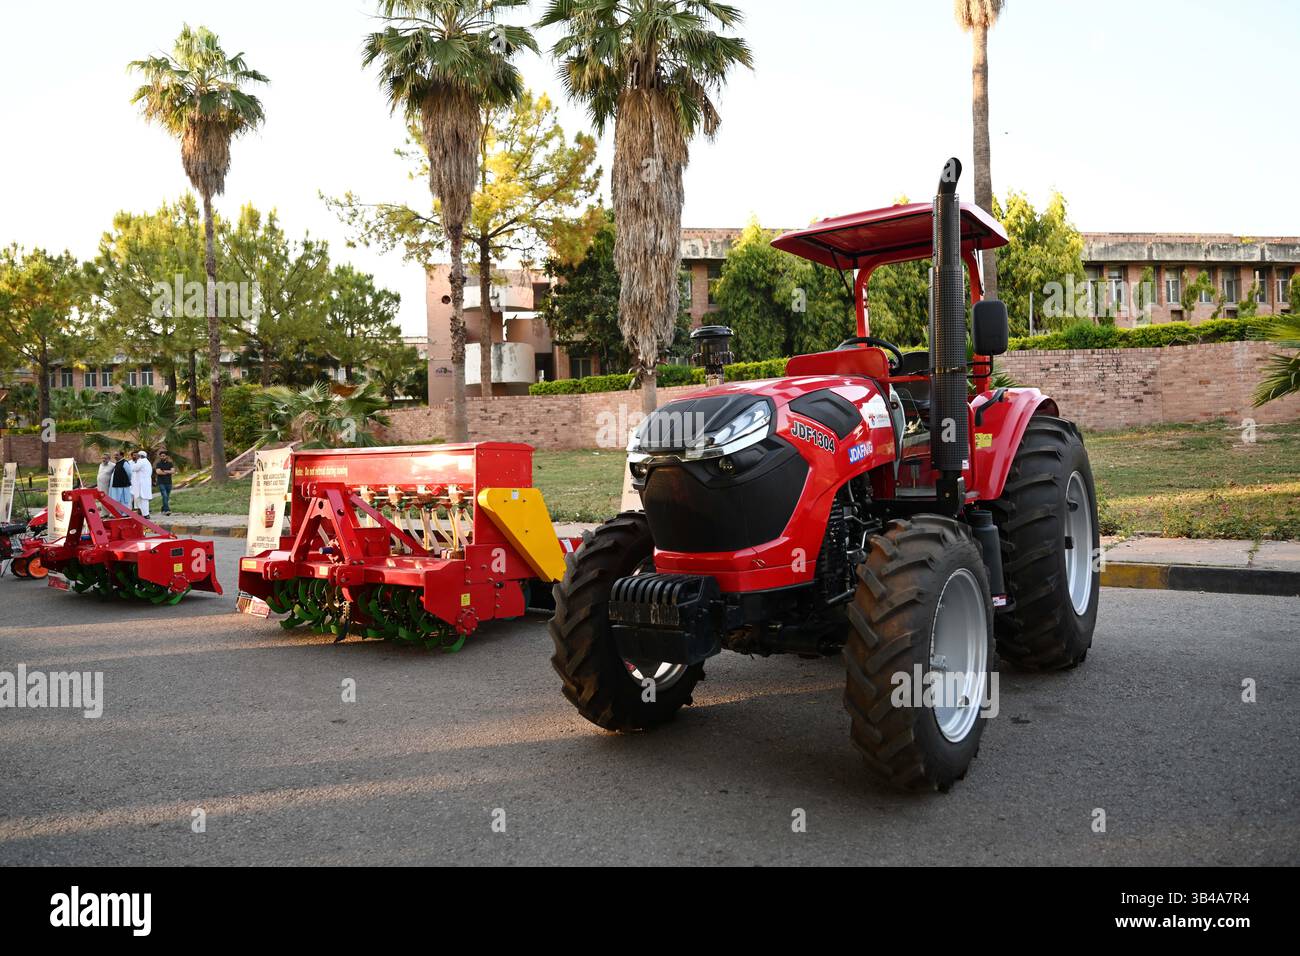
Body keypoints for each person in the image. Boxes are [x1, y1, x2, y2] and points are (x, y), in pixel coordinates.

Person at [130, 450, 154, 517]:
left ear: (140, 456)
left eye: (137, 455)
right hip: (145, 484)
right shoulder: (148, 462)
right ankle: (144, 514)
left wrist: (134, 463)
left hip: (141, 485)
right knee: (144, 500)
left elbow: (134, 468)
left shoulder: (141, 461)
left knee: (142, 499)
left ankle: (145, 514)